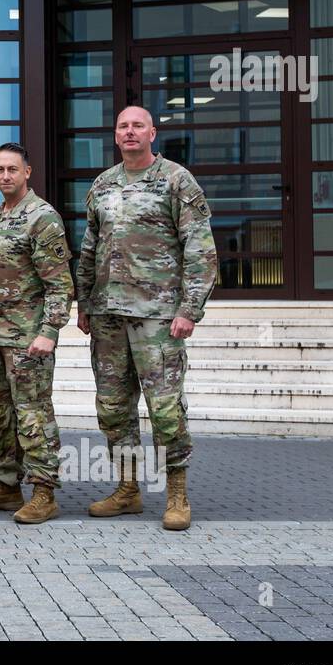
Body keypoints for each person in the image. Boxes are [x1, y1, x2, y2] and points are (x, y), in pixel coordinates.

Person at [76, 106, 218, 531]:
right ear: (115, 135)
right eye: (123, 126)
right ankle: (127, 489)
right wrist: (84, 303)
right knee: (113, 408)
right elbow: (89, 248)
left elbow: (200, 249)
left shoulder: (176, 180)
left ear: (152, 133)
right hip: (107, 317)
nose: (130, 132)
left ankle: (177, 493)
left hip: (158, 317)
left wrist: (189, 309)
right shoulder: (102, 185)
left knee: (165, 408)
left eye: (138, 125)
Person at [0, 143, 74, 524]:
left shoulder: (42, 218)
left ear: (28, 172)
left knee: (33, 415)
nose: (5, 176)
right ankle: (8, 488)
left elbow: (60, 285)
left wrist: (49, 332)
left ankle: (44, 492)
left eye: (12, 169)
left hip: (28, 340)